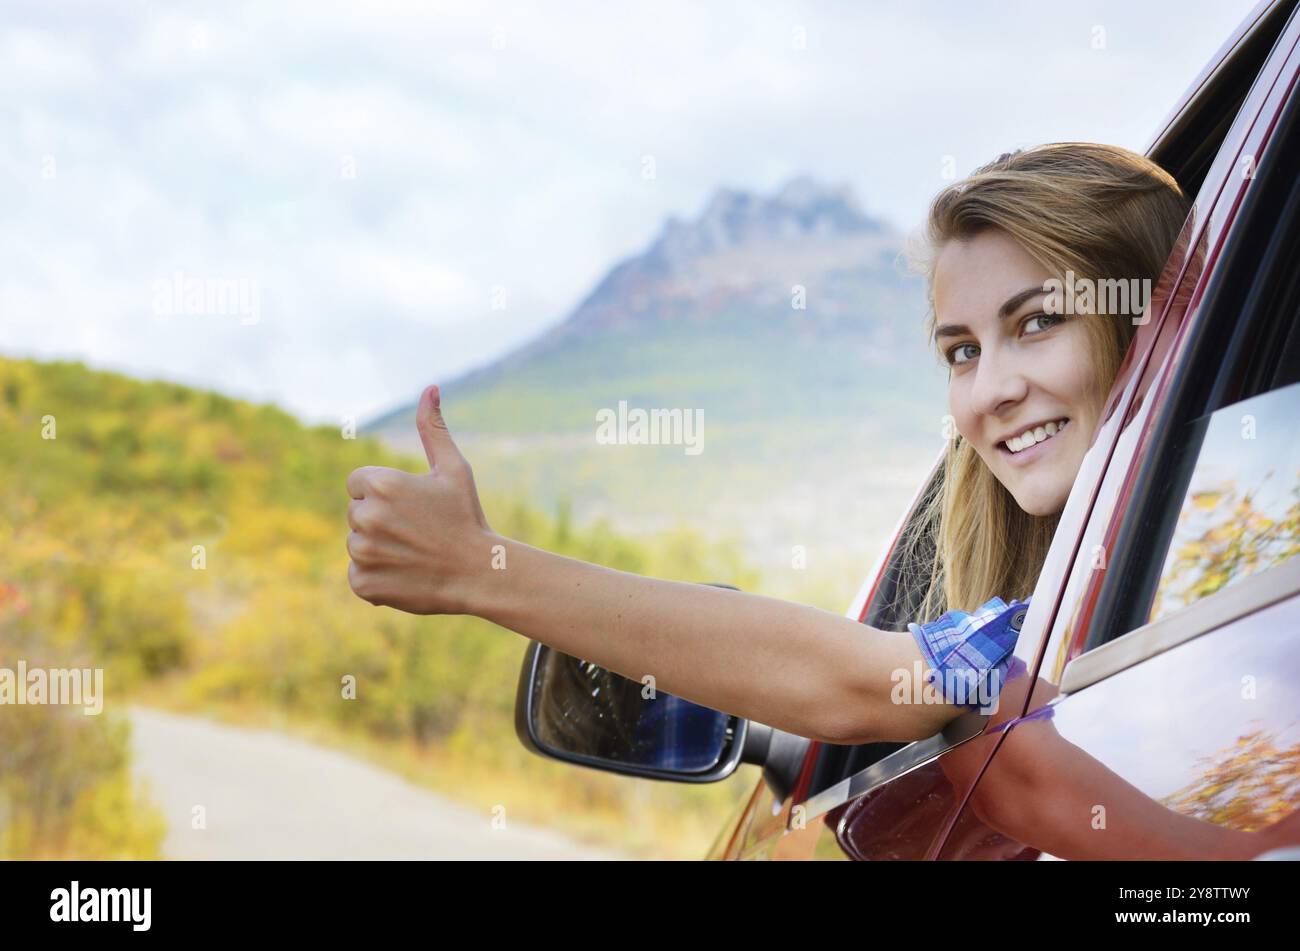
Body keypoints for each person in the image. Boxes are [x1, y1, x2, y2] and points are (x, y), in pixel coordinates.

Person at [343, 142, 1189, 747]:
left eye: (1038, 322)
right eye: (961, 350)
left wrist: (477, 568)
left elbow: (861, 679)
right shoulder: (1078, 597)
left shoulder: (1090, 609)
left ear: (1157, 321)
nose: (989, 390)